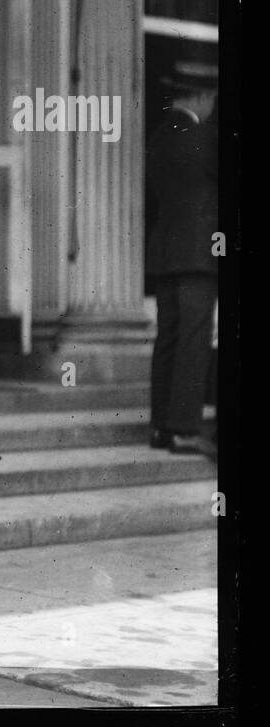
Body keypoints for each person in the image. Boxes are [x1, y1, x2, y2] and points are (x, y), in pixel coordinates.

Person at [145, 58, 218, 458]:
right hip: (198, 253)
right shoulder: (204, 139)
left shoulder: (159, 136)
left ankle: (160, 426)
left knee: (169, 338)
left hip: (165, 251)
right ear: (203, 96)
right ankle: (185, 430)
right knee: (194, 337)